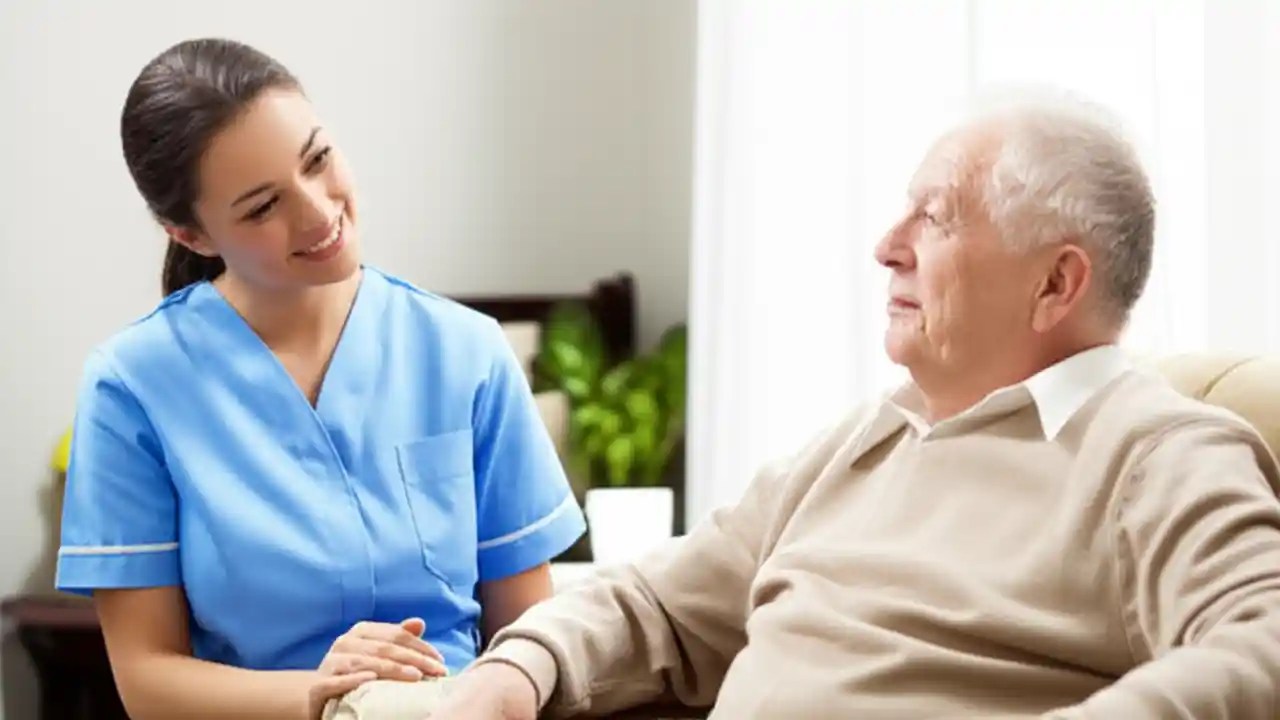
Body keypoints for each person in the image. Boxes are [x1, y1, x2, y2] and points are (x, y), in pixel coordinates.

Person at [426, 95, 1280, 719]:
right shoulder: (876, 435)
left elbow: (1260, 645)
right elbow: (658, 601)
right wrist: (518, 669)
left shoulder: (1160, 452)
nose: (886, 247)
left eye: (936, 218)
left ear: (1056, 283)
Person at [54, 37, 586, 720]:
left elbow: (528, 649)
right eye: (262, 208)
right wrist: (320, 693)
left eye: (318, 160)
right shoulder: (132, 388)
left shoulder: (465, 351)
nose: (317, 213)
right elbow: (147, 682)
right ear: (191, 235)